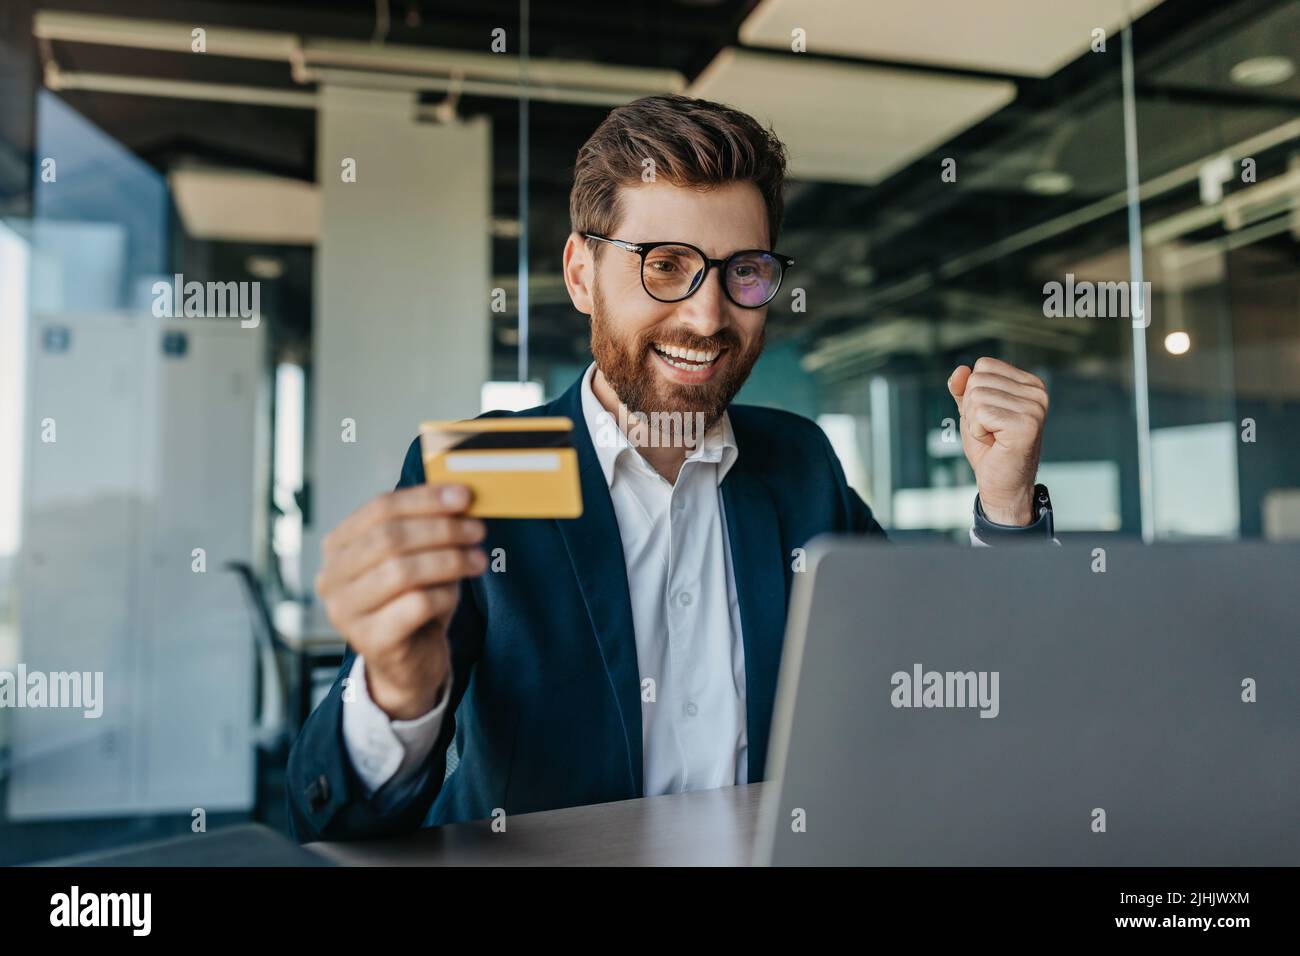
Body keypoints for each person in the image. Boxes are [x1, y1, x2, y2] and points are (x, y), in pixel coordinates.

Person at [287, 94, 1052, 841]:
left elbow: (943, 697)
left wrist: (1005, 503)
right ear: (582, 275)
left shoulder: (798, 464)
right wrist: (396, 694)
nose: (707, 315)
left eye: (743, 270)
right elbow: (336, 820)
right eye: (666, 265)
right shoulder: (485, 471)